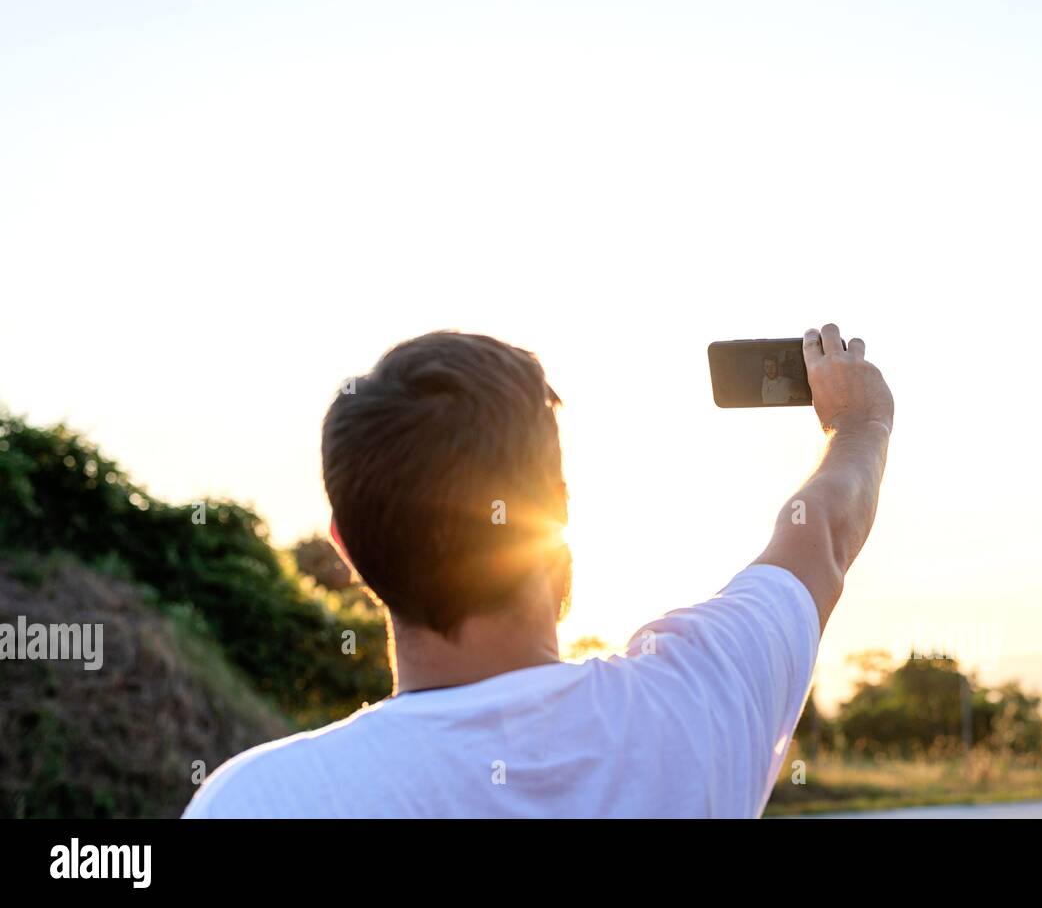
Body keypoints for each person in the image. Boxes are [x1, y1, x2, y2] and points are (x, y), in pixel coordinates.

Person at [183, 323, 892, 818]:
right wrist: (861, 423)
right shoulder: (694, 708)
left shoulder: (256, 801)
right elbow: (823, 532)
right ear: (556, 507)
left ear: (347, 549)